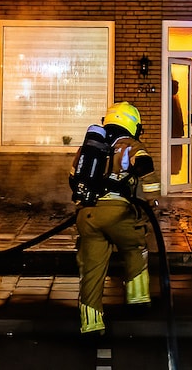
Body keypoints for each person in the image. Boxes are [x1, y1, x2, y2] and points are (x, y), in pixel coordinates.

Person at [69, 101, 161, 335]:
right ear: (131, 124)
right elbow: (145, 166)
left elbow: (73, 179)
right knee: (135, 247)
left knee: (92, 268)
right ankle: (138, 299)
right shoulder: (130, 144)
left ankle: (91, 324)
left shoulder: (88, 149)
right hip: (118, 214)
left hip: (87, 215)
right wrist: (153, 202)